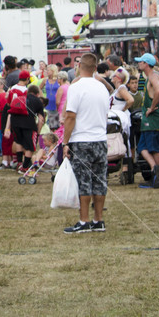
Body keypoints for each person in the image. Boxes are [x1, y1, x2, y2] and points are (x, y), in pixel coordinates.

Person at [62, 54, 111, 233]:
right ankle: (99, 219)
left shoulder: (76, 87)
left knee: (83, 181)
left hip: (82, 139)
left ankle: (84, 220)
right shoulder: (102, 88)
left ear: (79, 66)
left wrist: (65, 141)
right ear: (95, 68)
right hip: (100, 138)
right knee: (99, 180)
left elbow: (70, 116)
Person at [135, 53, 159, 189]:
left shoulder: (153, 76)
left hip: (153, 118)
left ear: (146, 64)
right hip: (151, 119)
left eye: (140, 62)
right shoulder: (153, 75)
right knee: (142, 147)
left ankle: (157, 177)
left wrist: (152, 108)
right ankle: (155, 170)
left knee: (153, 149)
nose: (138, 64)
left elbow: (158, 91)